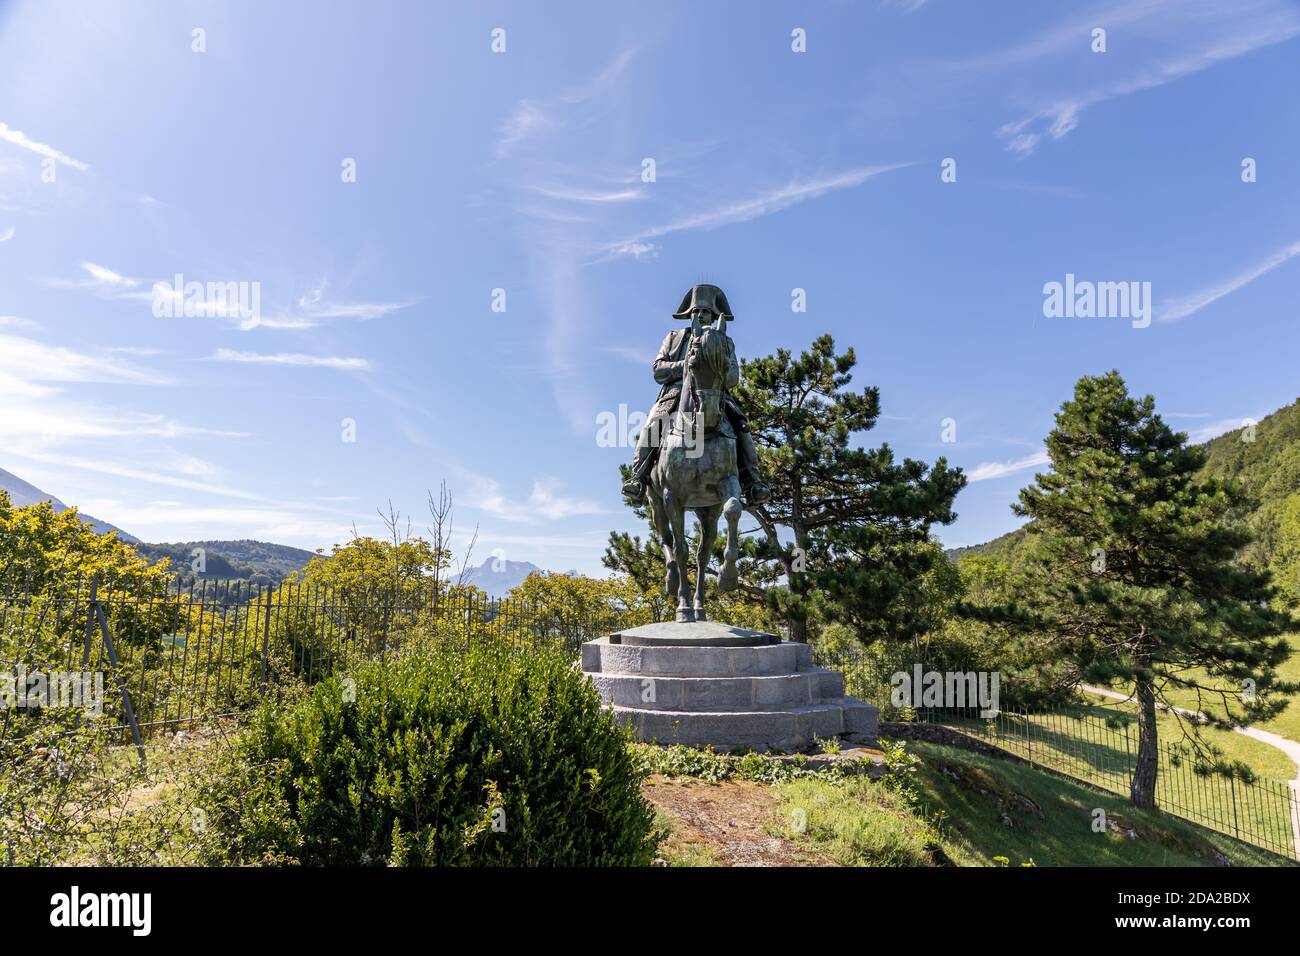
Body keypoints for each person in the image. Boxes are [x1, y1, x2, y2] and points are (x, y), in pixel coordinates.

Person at [621, 283, 770, 507]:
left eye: (705, 311)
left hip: (716, 394)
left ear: (713, 315)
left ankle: (753, 482)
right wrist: (688, 366)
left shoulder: (725, 341)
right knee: (653, 423)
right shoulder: (673, 337)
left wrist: (716, 367)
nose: (700, 315)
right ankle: (638, 478)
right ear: (689, 315)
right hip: (675, 394)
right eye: (696, 311)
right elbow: (658, 369)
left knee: (742, 427)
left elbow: (733, 377)